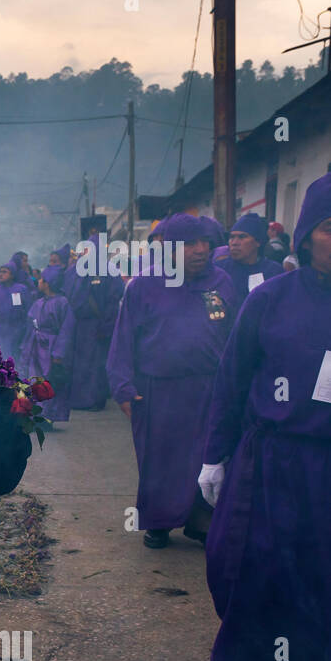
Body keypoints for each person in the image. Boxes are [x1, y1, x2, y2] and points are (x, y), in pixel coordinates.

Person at [198, 173, 331, 661]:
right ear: (307, 237)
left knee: (320, 585)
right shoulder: (270, 300)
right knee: (251, 570)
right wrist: (214, 456)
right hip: (271, 461)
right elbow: (231, 382)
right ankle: (246, 659)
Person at [106, 213, 239, 549]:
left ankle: (199, 518)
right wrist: (123, 386)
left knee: (207, 457)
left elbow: (237, 338)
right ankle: (159, 522)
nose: (201, 250)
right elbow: (122, 340)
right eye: (190, 244)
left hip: (209, 387)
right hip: (157, 390)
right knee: (160, 459)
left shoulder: (221, 281)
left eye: (205, 242)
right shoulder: (143, 285)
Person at [62, 241, 123, 411]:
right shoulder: (76, 271)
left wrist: (107, 325)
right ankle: (79, 399)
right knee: (79, 363)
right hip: (78, 325)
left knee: (96, 364)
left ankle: (95, 400)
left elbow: (113, 299)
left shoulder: (109, 270)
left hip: (97, 325)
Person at [21, 265, 75, 425]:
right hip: (35, 346)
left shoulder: (62, 303)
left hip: (51, 346)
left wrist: (59, 353)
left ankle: (47, 415)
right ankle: (35, 413)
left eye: (42, 279)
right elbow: (29, 325)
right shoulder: (38, 302)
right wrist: (25, 346)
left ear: (48, 283)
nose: (39, 282)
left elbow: (67, 330)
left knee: (48, 381)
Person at [216, 213, 282, 301]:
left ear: (258, 242)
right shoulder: (219, 270)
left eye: (242, 237)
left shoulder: (274, 272)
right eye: (232, 237)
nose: (234, 243)